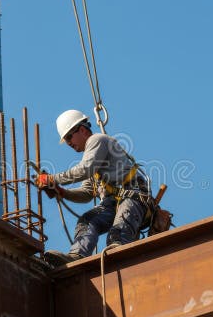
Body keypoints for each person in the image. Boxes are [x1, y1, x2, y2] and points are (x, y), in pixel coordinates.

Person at [35, 110, 151, 266]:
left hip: (132, 195)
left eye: (69, 137)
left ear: (82, 130)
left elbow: (85, 170)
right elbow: (87, 193)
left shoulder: (97, 140)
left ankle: (119, 259)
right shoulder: (92, 157)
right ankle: (77, 255)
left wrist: (53, 179)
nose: (69, 143)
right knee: (86, 221)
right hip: (112, 202)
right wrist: (64, 193)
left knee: (117, 234)